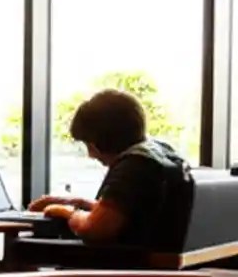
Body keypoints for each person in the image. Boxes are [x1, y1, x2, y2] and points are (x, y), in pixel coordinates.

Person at [28, 89, 191, 247]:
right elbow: (125, 212)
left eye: (89, 145)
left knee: (22, 247)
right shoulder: (160, 154)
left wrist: (65, 212)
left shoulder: (135, 165)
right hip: (155, 260)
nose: (91, 155)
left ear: (101, 140)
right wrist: (76, 202)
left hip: (128, 266)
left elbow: (94, 229)